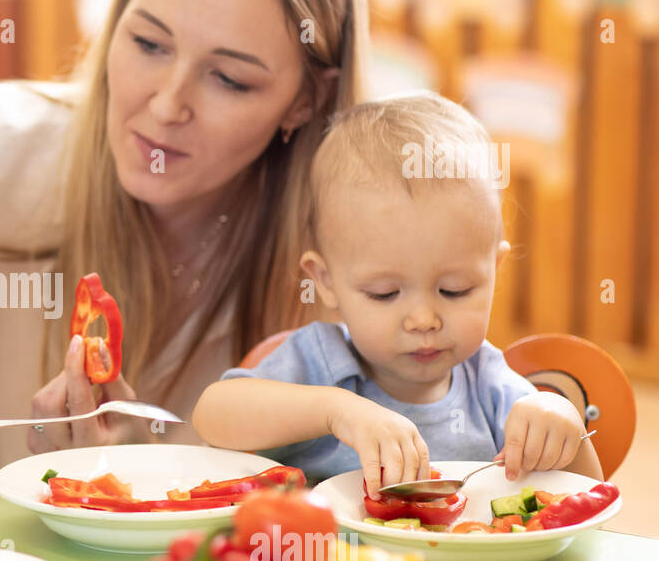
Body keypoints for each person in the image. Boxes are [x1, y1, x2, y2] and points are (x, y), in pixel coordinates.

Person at [0, 0, 370, 507]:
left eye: (229, 79)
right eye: (148, 42)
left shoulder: (355, 275)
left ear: (305, 101)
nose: (168, 104)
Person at [193, 93, 603, 488]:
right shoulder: (320, 361)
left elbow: (588, 499)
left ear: (494, 271)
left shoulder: (488, 384)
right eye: (385, 293)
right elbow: (212, 414)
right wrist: (336, 412)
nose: (424, 319)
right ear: (326, 281)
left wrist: (560, 420)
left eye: (454, 290)